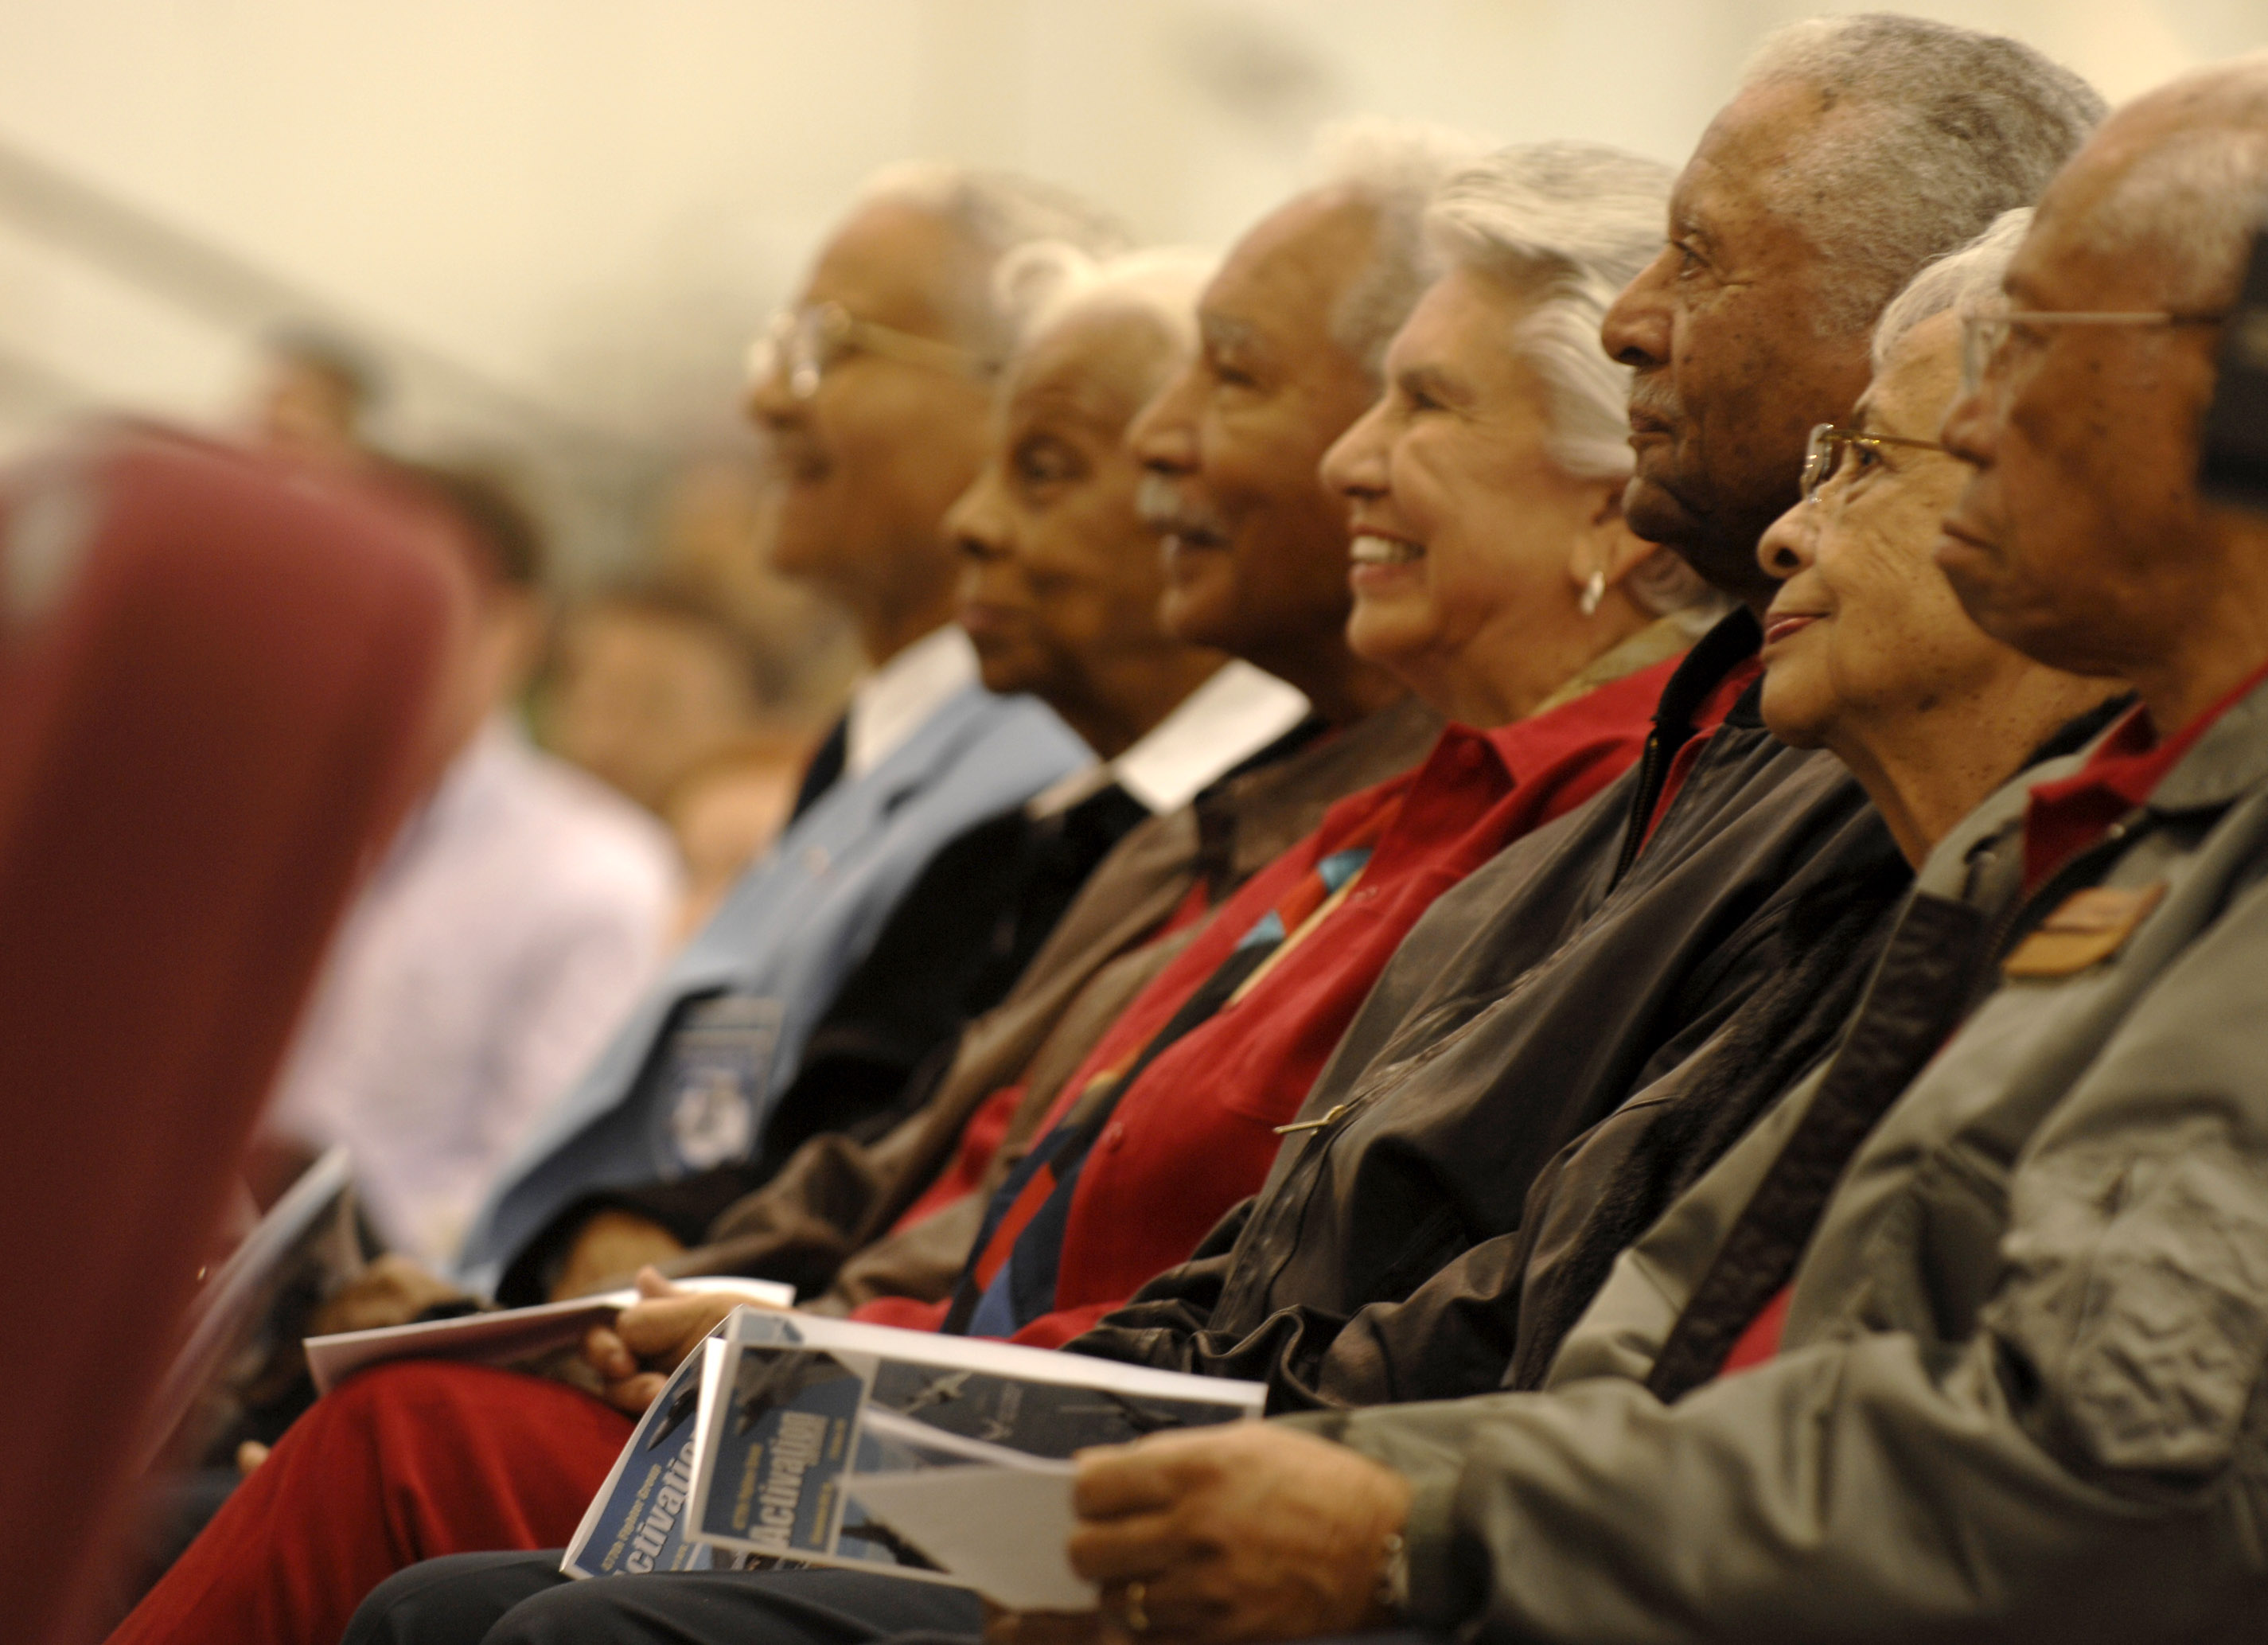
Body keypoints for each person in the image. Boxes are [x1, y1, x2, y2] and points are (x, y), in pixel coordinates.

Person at [333, 132, 1715, 1645]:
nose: (1348, 464)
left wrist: (846, 1366)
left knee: (444, 1526)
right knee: (420, 1523)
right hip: (973, 1419)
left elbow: (1318, 1316)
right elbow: (1004, 1198)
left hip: (1126, 1492)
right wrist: (795, 1335)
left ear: (1612, 504)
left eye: (1420, 401)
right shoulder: (1365, 803)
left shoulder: (1573, 827)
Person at [1042, 57, 2268, 1645]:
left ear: (2240, 391)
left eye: (2035, 344)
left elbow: (2103, 1478)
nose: (1981, 414)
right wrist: (1322, 1511)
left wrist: (1409, 1527)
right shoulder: (2055, 838)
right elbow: (1667, 1357)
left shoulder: (2083, 843)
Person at [448, 166, 1123, 1297]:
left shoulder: (1051, 778)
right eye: (780, 346)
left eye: (834, 346)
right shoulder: (883, 735)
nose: (767, 399)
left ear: (1020, 404)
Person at [261, 463, 681, 1268]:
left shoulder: (595, 872)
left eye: (409, 606)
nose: (362, 635)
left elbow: (518, 1190)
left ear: (513, 633)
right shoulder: (252, 808)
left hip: (347, 1312)